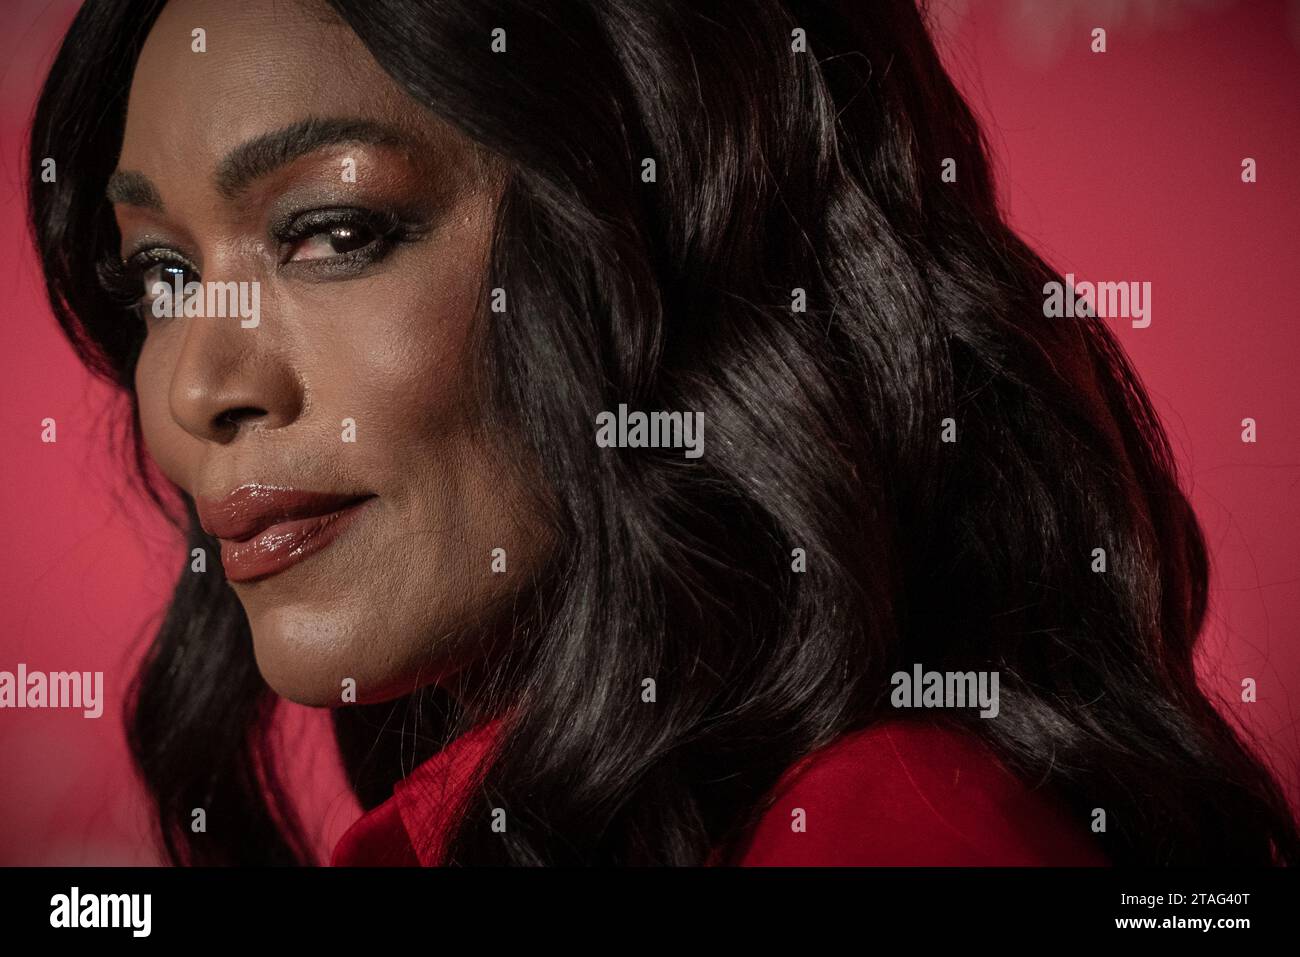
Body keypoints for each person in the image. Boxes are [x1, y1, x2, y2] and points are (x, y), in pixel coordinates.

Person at [27, 0, 1298, 865]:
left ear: (667, 236)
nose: (197, 387)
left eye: (333, 229)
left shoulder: (882, 828)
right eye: (160, 275)